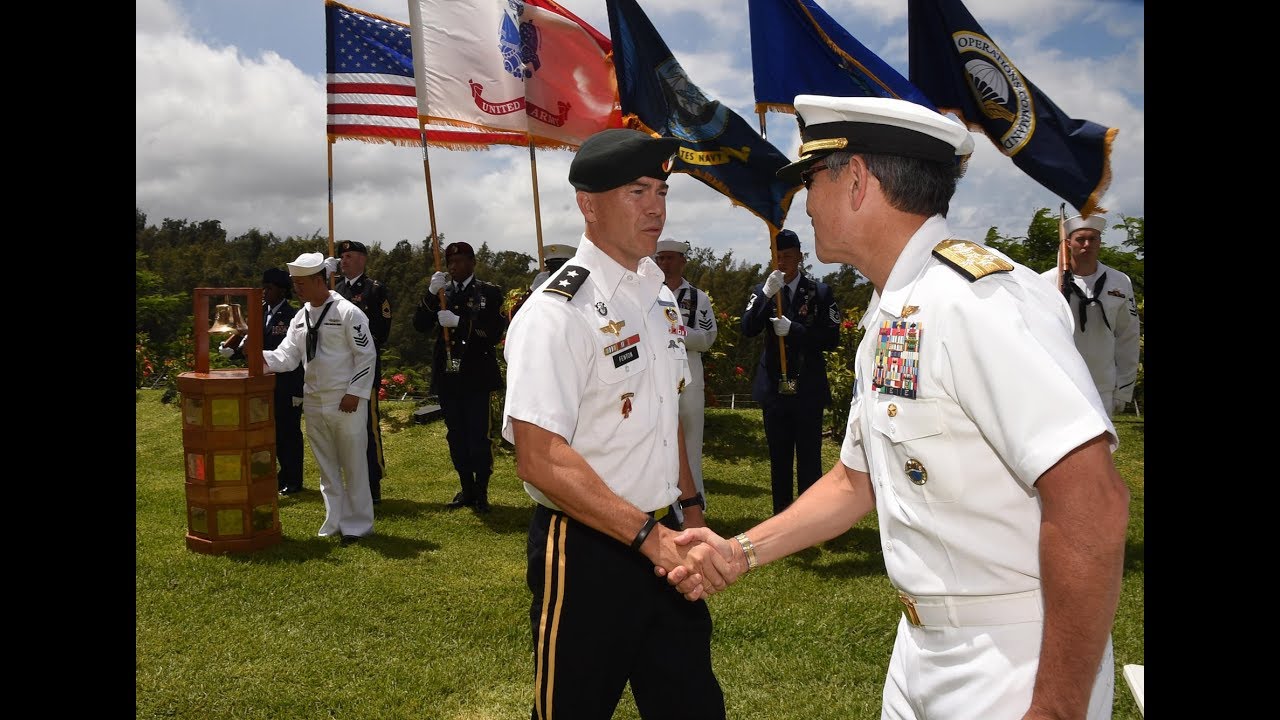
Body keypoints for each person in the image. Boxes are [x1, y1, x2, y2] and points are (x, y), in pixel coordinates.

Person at [664, 95, 1130, 720]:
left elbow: (1092, 500)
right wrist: (740, 550)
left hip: (1011, 660)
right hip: (920, 649)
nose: (803, 201)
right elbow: (857, 480)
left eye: (811, 180)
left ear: (855, 180)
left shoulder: (976, 304)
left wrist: (1058, 707)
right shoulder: (896, 309)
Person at [501, 128, 727, 719]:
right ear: (588, 204)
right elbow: (539, 457)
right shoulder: (555, 313)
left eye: (661, 190)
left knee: (694, 707)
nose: (656, 206)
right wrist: (647, 537)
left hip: (666, 537)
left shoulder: (659, 297)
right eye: (636, 191)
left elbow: (666, 411)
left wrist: (692, 513)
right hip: (585, 552)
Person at [260, 252, 377, 544]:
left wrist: (354, 393)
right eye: (294, 283)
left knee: (353, 463)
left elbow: (366, 356)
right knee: (326, 467)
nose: (296, 289)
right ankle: (334, 520)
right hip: (313, 400)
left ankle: (358, 524)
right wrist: (255, 357)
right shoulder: (300, 317)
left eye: (301, 283)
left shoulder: (348, 312)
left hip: (345, 400)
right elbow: (286, 358)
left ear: (317, 280)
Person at [740, 229, 840, 514]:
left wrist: (795, 330)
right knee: (779, 457)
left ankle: (809, 518)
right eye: (777, 256)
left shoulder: (819, 292)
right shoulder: (765, 290)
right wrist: (765, 296)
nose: (782, 261)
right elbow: (748, 328)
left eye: (787, 255)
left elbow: (832, 338)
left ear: (799, 255)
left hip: (807, 386)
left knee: (809, 456)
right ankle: (781, 516)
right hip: (775, 387)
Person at [413, 241, 507, 513]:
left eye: (460, 262)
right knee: (456, 434)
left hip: (477, 374)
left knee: (479, 435)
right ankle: (466, 487)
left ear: (472, 263)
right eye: (450, 263)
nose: (454, 267)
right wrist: (431, 295)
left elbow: (492, 333)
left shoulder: (489, 292)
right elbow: (419, 325)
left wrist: (461, 324)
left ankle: (482, 489)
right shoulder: (443, 292)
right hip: (449, 375)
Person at [1040, 215, 1141, 414]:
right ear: (1068, 243)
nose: (1087, 245)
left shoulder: (1119, 281)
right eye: (1080, 239)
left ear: (1100, 242)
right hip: (1059, 382)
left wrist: (1123, 389)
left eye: (1092, 239)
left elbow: (1128, 336)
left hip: (1103, 385)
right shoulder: (1046, 282)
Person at [218, 268, 306, 495]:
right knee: (270, 432)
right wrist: (233, 347)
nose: (265, 292)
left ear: (282, 290)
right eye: (263, 287)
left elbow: (289, 353)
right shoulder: (259, 313)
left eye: (270, 288)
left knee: (288, 433)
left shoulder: (292, 316)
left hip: (287, 383)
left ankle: (293, 480)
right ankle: (279, 476)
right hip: (263, 384)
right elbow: (246, 345)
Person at [654, 238, 717, 518]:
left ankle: (689, 510)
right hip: (655, 377)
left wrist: (675, 333)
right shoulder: (648, 293)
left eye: (670, 258)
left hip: (689, 379)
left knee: (690, 444)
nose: (665, 264)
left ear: (683, 261)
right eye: (660, 258)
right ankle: (654, 506)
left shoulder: (697, 298)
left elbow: (707, 338)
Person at [331, 240, 391, 504]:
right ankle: (351, 482)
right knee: (343, 431)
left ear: (362, 260)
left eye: (349, 256)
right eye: (342, 257)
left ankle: (372, 483)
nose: (343, 261)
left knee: (368, 428)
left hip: (363, 369)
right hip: (337, 370)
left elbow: (381, 332)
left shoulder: (374, 290)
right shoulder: (335, 290)